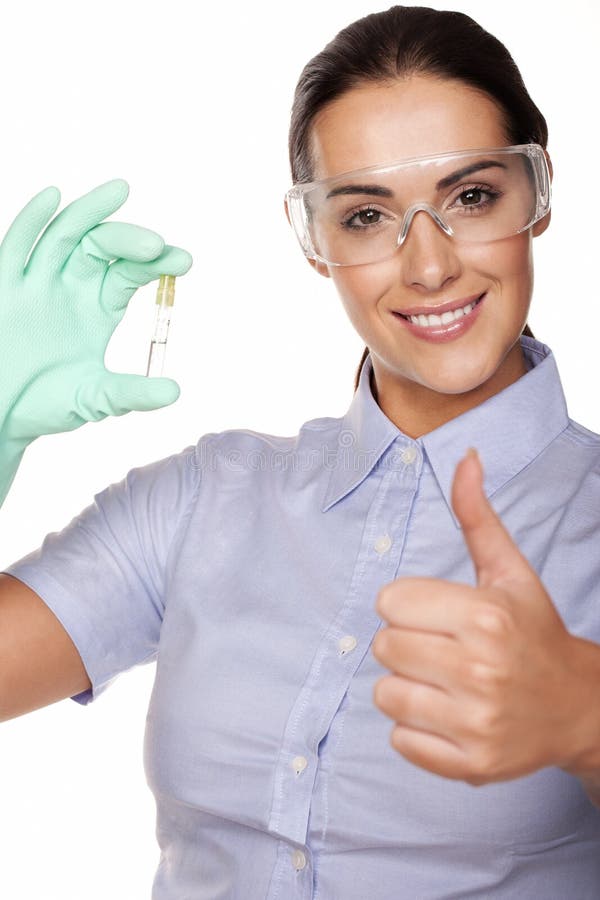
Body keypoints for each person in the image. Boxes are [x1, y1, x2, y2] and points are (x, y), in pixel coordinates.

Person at [1, 4, 599, 898]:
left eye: (472, 196)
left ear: (537, 194)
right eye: (367, 216)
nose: (429, 265)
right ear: (317, 243)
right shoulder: (207, 498)